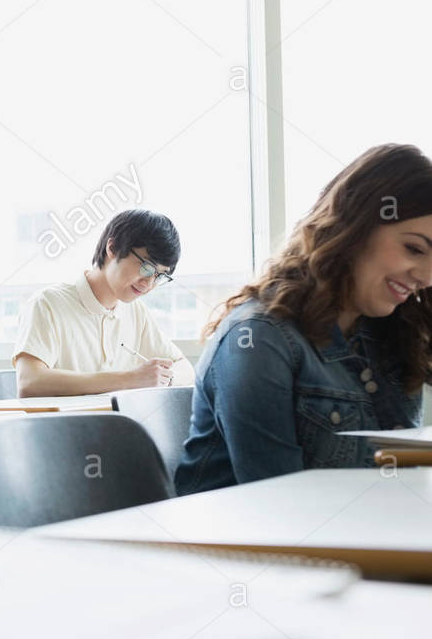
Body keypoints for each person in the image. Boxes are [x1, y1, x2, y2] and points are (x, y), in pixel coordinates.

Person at [175, 144, 432, 494]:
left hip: (358, 537)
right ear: (356, 226)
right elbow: (281, 508)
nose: (427, 276)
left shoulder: (391, 333)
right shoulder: (259, 338)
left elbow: (400, 486)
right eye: (414, 249)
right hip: (254, 544)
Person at [12, 209, 193, 397]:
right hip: (67, 425)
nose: (149, 284)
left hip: (119, 425)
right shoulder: (47, 304)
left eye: (160, 276)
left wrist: (164, 379)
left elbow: (186, 369)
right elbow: (29, 382)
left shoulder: (135, 311)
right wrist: (129, 380)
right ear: (112, 248)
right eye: (147, 267)